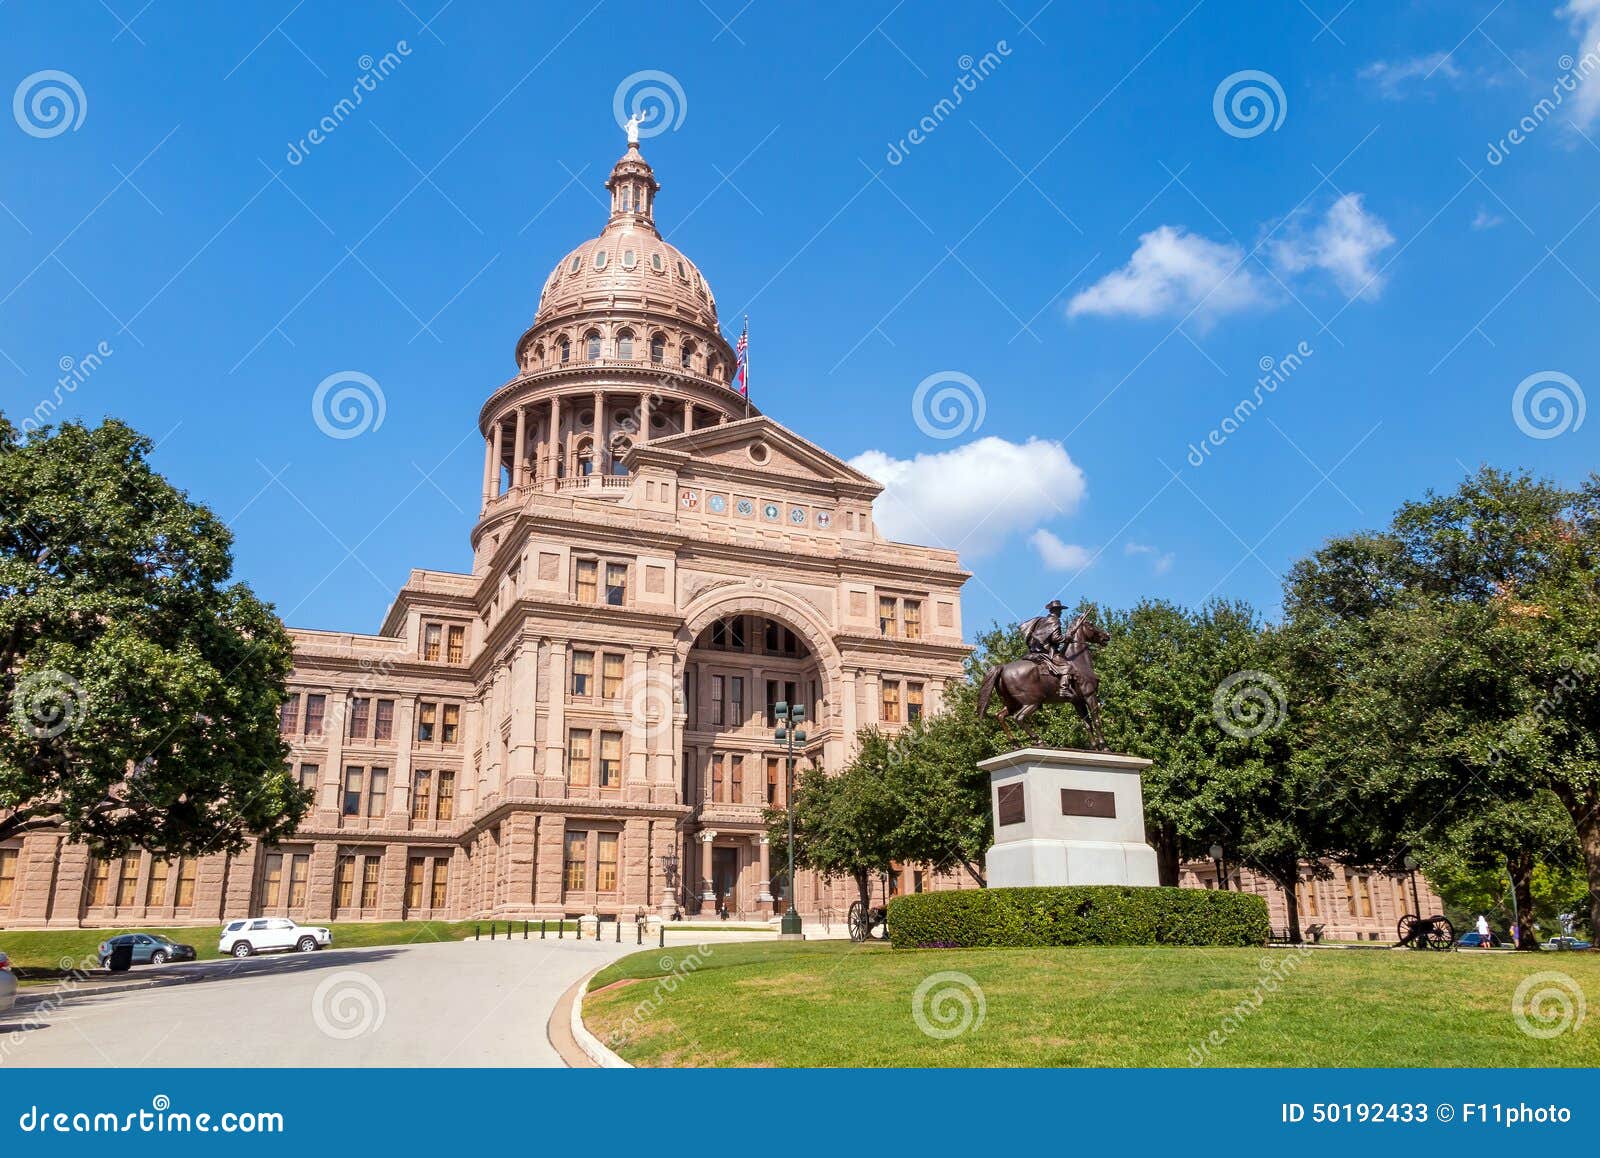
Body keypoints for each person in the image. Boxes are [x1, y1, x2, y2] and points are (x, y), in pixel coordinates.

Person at [1021, 599, 1074, 698]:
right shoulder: (1055, 621)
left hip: (1035, 650)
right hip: (1047, 652)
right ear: (1055, 610)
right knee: (1068, 667)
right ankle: (1064, 689)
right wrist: (1067, 637)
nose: (1061, 612)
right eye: (1059, 610)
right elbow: (1055, 638)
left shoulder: (1043, 620)